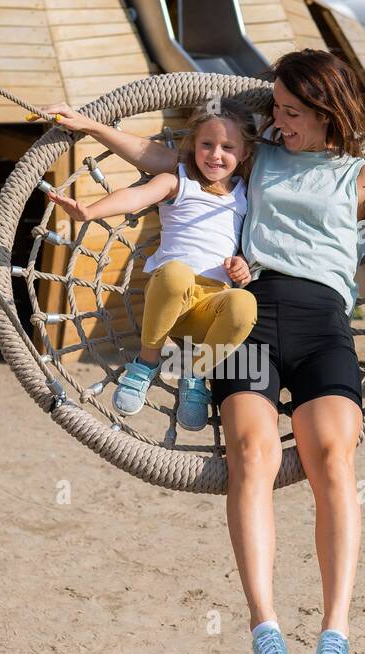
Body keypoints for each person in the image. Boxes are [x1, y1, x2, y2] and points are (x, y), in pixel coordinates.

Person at [38, 49, 365, 654]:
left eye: (293, 111)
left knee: (332, 455)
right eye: (275, 108)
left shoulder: (364, 176)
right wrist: (92, 126)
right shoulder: (259, 154)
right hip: (248, 317)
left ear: (328, 112)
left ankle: (335, 635)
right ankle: (264, 626)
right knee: (252, 453)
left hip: (323, 324)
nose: (279, 121)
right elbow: (166, 161)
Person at [42, 98, 260, 430]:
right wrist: (91, 210)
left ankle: (196, 374)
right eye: (207, 144)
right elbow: (136, 196)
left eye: (228, 147)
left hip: (209, 310)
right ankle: (146, 362)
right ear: (192, 146)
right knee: (175, 273)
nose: (216, 154)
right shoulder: (178, 181)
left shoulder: (245, 194)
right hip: (170, 300)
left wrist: (241, 266)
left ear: (244, 153)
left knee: (245, 303)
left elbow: (245, 246)